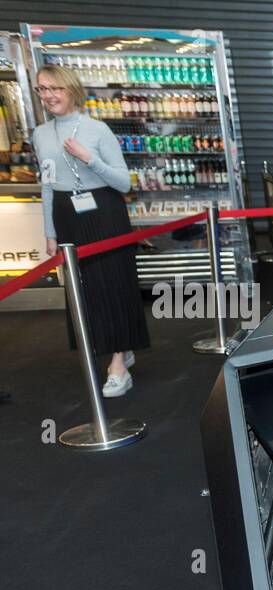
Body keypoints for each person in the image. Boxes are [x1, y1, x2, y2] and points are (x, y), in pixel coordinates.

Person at [34, 64, 144, 398]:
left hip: (104, 210)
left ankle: (118, 366)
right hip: (67, 215)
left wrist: (88, 159)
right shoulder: (40, 134)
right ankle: (117, 350)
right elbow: (48, 186)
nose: (50, 96)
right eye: (43, 89)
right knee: (84, 290)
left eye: (56, 88)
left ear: (72, 90)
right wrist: (49, 230)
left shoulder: (98, 131)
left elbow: (124, 182)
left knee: (113, 284)